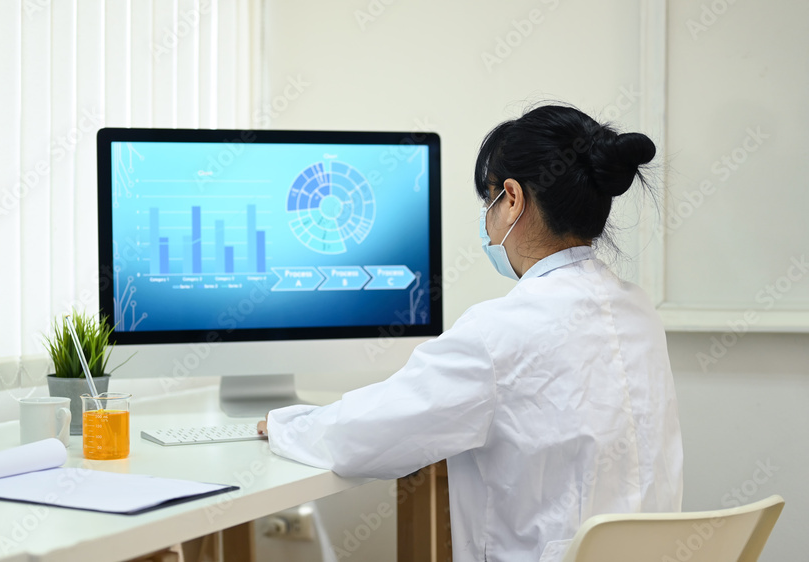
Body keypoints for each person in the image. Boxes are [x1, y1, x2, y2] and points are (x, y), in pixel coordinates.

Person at [256, 105, 684, 562]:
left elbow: (363, 437)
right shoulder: (638, 311)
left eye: (490, 202)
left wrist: (284, 425)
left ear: (513, 199)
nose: (488, 217)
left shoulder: (499, 332)